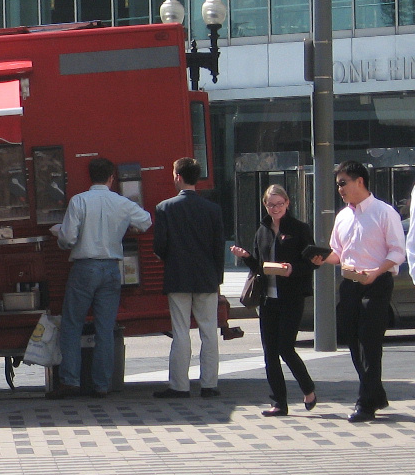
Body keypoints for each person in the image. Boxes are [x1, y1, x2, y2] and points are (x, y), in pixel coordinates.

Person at [48, 158, 151, 399]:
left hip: (84, 268)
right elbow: (145, 222)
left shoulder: (79, 201)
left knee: (72, 325)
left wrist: (59, 233)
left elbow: (68, 239)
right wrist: (128, 228)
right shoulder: (122, 202)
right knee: (105, 328)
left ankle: (70, 381)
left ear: (89, 176)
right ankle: (102, 384)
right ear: (111, 178)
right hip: (111, 268)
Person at [310, 161, 405, 422]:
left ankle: (365, 403)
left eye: (343, 183)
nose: (339, 189)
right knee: (352, 338)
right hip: (349, 284)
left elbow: (398, 252)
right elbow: (338, 253)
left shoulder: (384, 212)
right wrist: (322, 257)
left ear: (359, 181)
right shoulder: (343, 216)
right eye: (338, 184)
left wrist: (375, 272)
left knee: (369, 342)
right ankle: (376, 395)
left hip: (377, 283)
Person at [231, 185, 319, 417]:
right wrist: (246, 257)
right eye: (271, 204)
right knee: (269, 351)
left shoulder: (299, 229)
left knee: (285, 347)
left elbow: (312, 263)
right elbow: (259, 266)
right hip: (268, 298)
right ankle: (279, 402)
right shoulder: (262, 230)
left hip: (291, 297)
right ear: (265, 205)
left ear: (288, 203)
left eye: (280, 204)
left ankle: (308, 388)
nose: (275, 208)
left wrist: (292, 269)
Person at [153, 157, 224, 399]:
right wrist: (218, 279)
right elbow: (218, 248)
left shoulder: (165, 208)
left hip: (178, 276)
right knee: (208, 331)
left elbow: (160, 246)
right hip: (206, 277)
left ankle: (179, 385)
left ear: (178, 177)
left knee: (181, 331)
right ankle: (209, 384)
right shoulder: (213, 209)